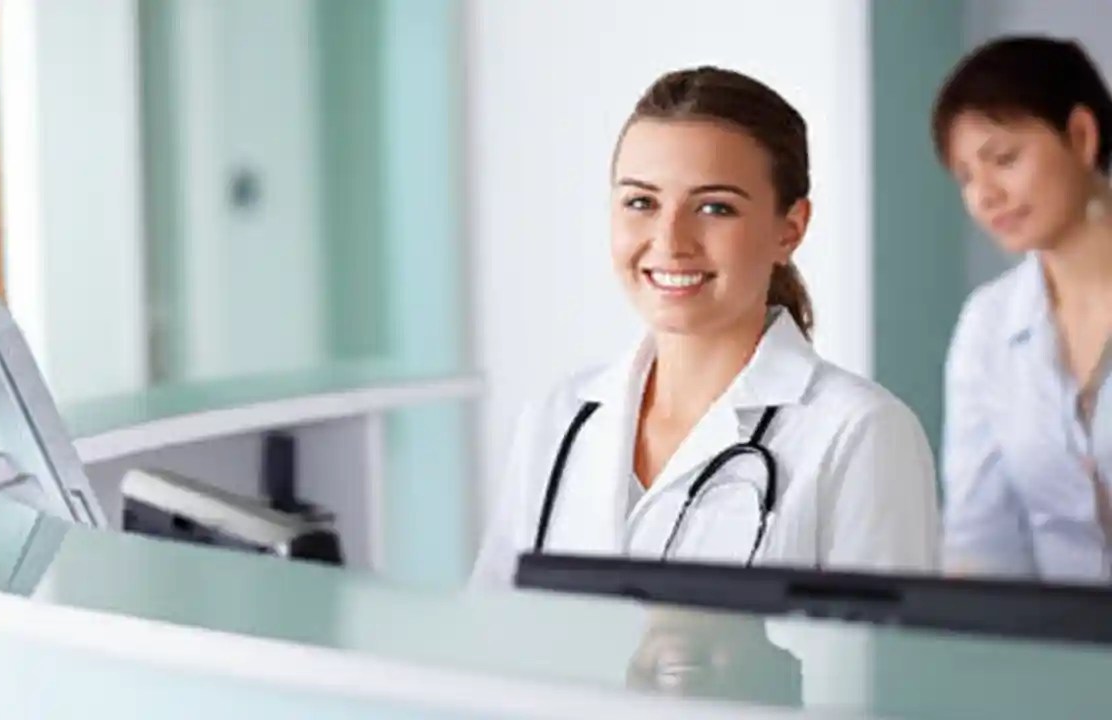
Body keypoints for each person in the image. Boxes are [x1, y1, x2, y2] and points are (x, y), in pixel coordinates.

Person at [470, 67, 939, 588]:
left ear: (790, 229)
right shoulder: (558, 418)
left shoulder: (860, 433)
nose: (671, 241)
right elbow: (493, 619)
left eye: (715, 207)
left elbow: (883, 643)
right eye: (641, 202)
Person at [934, 37, 1112, 582]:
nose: (984, 195)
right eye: (966, 176)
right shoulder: (987, 323)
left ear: (1080, 136)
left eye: (1004, 159)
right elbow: (979, 545)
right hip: (1051, 635)